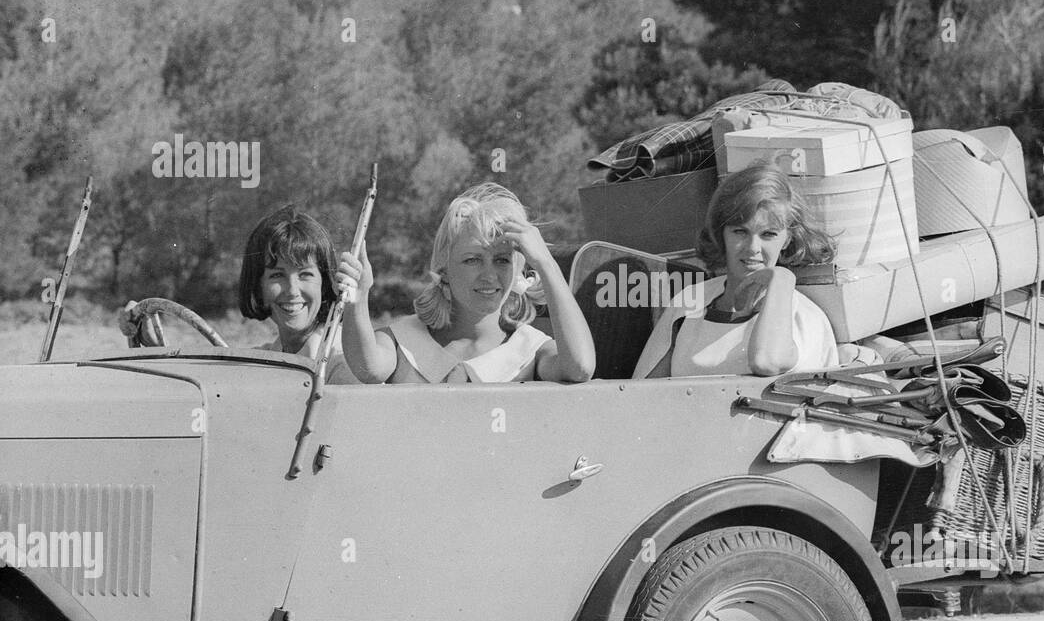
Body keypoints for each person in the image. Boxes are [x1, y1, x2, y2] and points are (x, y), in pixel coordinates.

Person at [334, 182, 595, 384]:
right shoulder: (402, 339)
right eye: (472, 260)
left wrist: (546, 264)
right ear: (443, 269)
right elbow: (367, 368)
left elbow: (580, 367)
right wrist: (356, 298)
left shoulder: (530, 350)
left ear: (517, 270)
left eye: (502, 261)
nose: (489, 275)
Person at [633, 167, 839, 378]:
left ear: (786, 240)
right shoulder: (691, 300)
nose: (752, 248)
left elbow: (767, 362)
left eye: (768, 234)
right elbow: (640, 393)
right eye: (740, 231)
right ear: (721, 233)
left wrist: (782, 279)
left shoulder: (803, 315)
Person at [237, 204, 358, 383]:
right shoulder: (261, 360)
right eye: (277, 275)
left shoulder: (345, 363)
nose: (293, 291)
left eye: (305, 274)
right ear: (258, 286)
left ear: (324, 284)